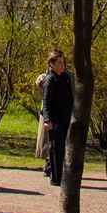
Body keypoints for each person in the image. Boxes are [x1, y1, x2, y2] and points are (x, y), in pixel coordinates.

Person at [37, 50, 74, 186]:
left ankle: (61, 176)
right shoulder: (50, 79)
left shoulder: (65, 78)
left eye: (63, 62)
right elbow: (46, 102)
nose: (62, 65)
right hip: (55, 120)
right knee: (56, 149)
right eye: (59, 62)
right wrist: (47, 120)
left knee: (62, 149)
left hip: (65, 119)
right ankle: (56, 178)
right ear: (51, 64)